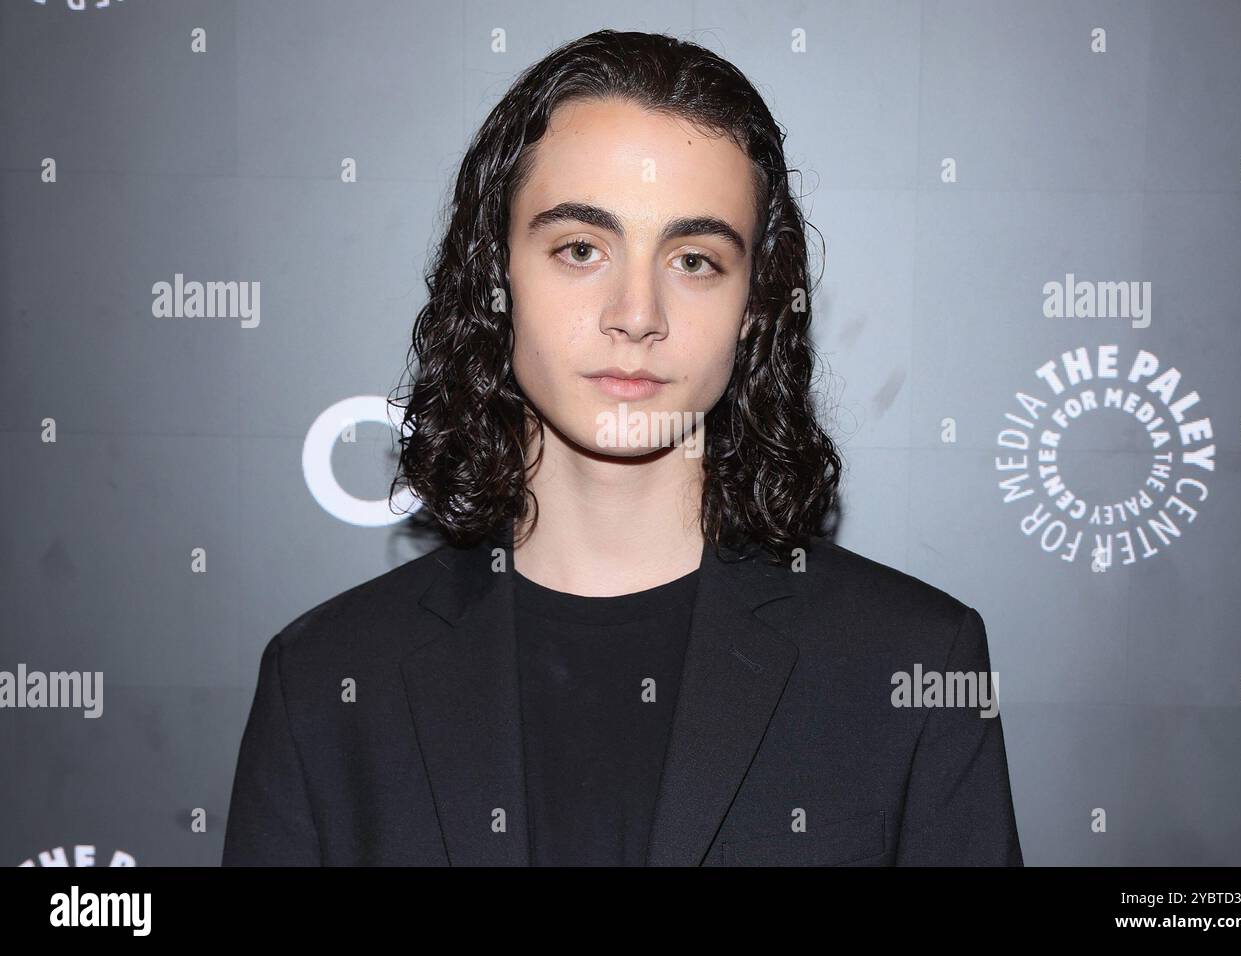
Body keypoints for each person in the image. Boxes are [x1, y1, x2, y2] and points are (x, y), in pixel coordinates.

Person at [222, 29, 1023, 867]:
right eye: (580, 249)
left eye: (694, 259)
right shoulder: (325, 681)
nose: (636, 313)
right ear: (497, 275)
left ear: (756, 306)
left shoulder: (915, 667)